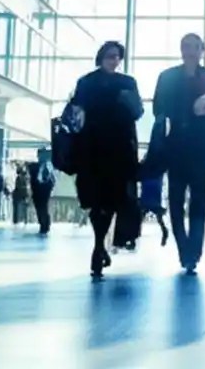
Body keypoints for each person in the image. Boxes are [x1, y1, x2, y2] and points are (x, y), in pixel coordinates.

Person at [153, 33, 205, 274]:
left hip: (202, 150)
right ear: (180, 49)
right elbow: (158, 107)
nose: (190, 51)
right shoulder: (167, 77)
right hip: (176, 146)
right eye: (186, 46)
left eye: (195, 47)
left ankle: (194, 253)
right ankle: (183, 250)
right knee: (175, 203)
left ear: (202, 51)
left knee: (198, 203)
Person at [70, 40, 142, 279]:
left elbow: (138, 111)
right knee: (99, 200)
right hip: (98, 149)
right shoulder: (90, 83)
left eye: (117, 57)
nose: (114, 60)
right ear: (101, 57)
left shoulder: (119, 83)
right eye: (111, 56)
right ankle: (100, 244)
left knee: (107, 200)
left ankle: (100, 244)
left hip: (113, 150)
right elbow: (75, 112)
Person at [28, 148, 56, 235]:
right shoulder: (38, 166)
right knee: (41, 207)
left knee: (42, 207)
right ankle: (44, 224)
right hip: (39, 190)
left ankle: (44, 225)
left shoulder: (47, 165)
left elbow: (51, 179)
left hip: (42, 190)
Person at [140, 172, 169, 246]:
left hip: (146, 196)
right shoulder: (158, 170)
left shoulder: (146, 168)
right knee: (159, 218)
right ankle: (165, 232)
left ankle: (133, 237)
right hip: (154, 195)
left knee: (140, 217)